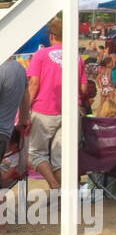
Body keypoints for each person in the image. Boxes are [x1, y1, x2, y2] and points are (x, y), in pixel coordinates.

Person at [25, 15, 88, 189]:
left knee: (34, 153)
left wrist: (24, 111)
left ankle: (54, 185)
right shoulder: (77, 57)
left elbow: (34, 83)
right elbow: (83, 89)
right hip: (70, 110)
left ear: (51, 36)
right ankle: (65, 197)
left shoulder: (41, 55)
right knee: (61, 159)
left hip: (44, 109)